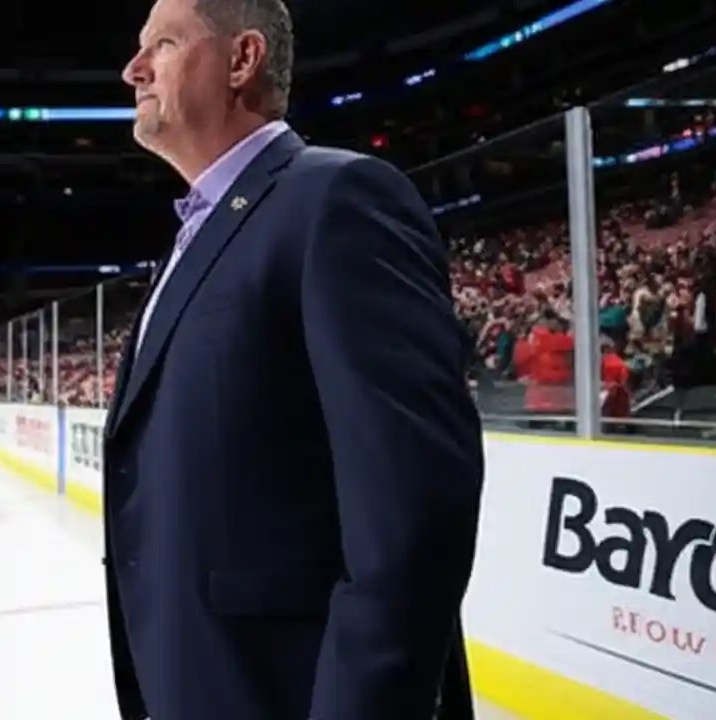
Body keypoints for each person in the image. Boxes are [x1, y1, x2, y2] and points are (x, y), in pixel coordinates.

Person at [102, 0, 485, 718]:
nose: (134, 68)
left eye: (165, 44)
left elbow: (410, 516)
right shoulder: (199, 231)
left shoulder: (337, 198)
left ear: (242, 61)